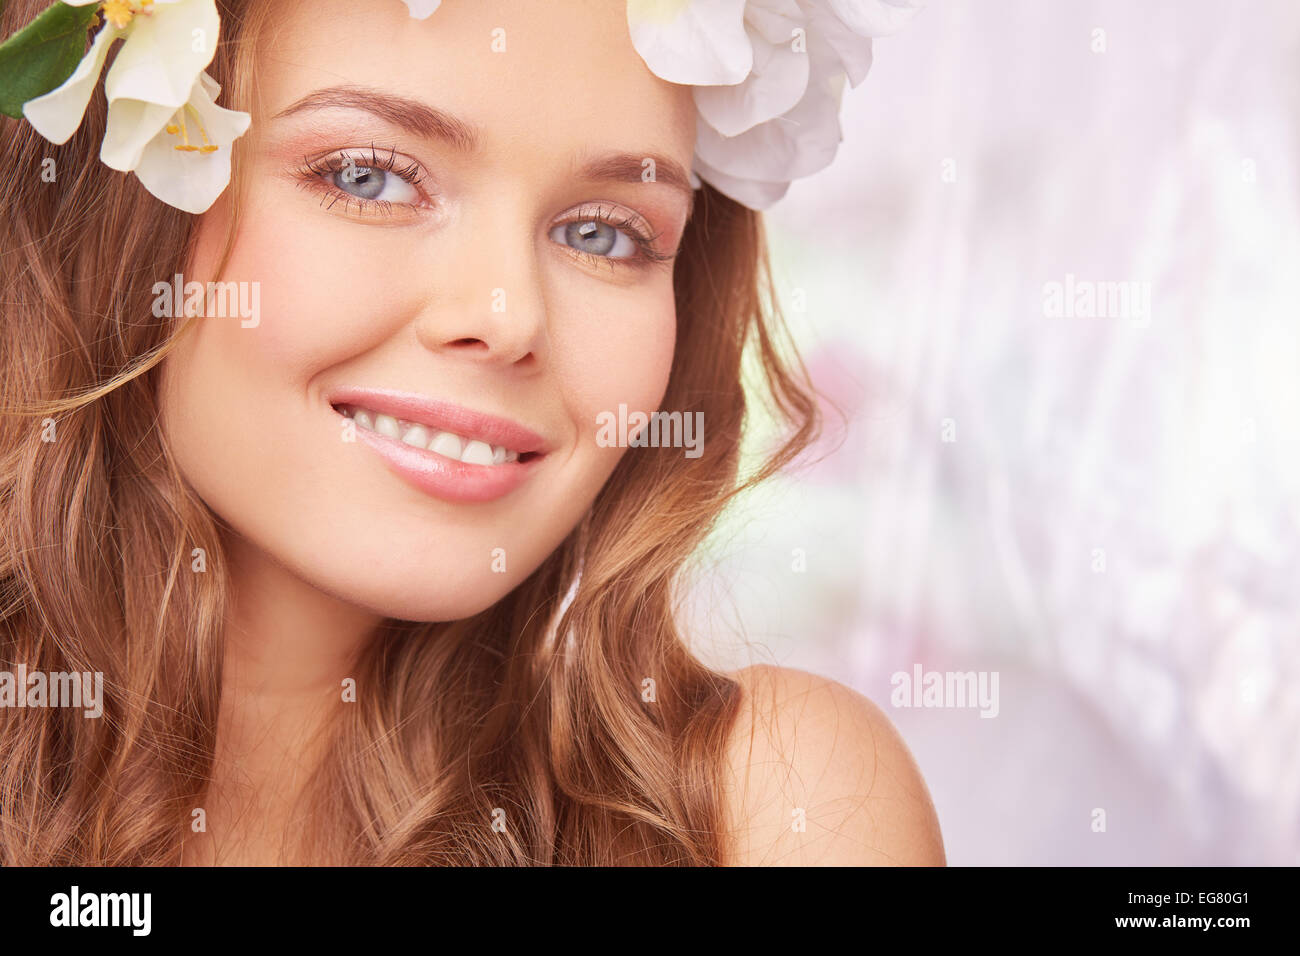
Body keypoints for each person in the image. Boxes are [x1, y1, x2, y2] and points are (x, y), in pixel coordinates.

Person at [0, 0, 944, 865]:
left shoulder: (769, 813)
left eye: (603, 233)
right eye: (369, 176)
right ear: (110, 206)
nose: (508, 319)